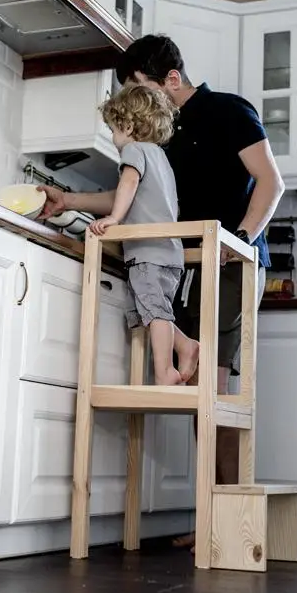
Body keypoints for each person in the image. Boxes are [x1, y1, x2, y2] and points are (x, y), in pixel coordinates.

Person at [39, 34, 284, 544]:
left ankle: (227, 523)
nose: (137, 104)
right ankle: (212, 516)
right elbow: (133, 189)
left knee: (216, 390)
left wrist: (238, 241)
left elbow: (270, 183)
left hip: (231, 260)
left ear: (171, 80)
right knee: (201, 392)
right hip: (184, 260)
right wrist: (70, 200)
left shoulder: (228, 112)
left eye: (140, 88)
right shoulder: (159, 136)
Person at [89, 83, 199, 387]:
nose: (113, 138)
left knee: (155, 313)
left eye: (113, 130)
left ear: (126, 125)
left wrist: (114, 218)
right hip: (169, 253)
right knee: (153, 310)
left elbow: (129, 183)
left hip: (148, 252)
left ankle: (164, 371)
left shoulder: (134, 150)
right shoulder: (161, 158)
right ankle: (185, 345)